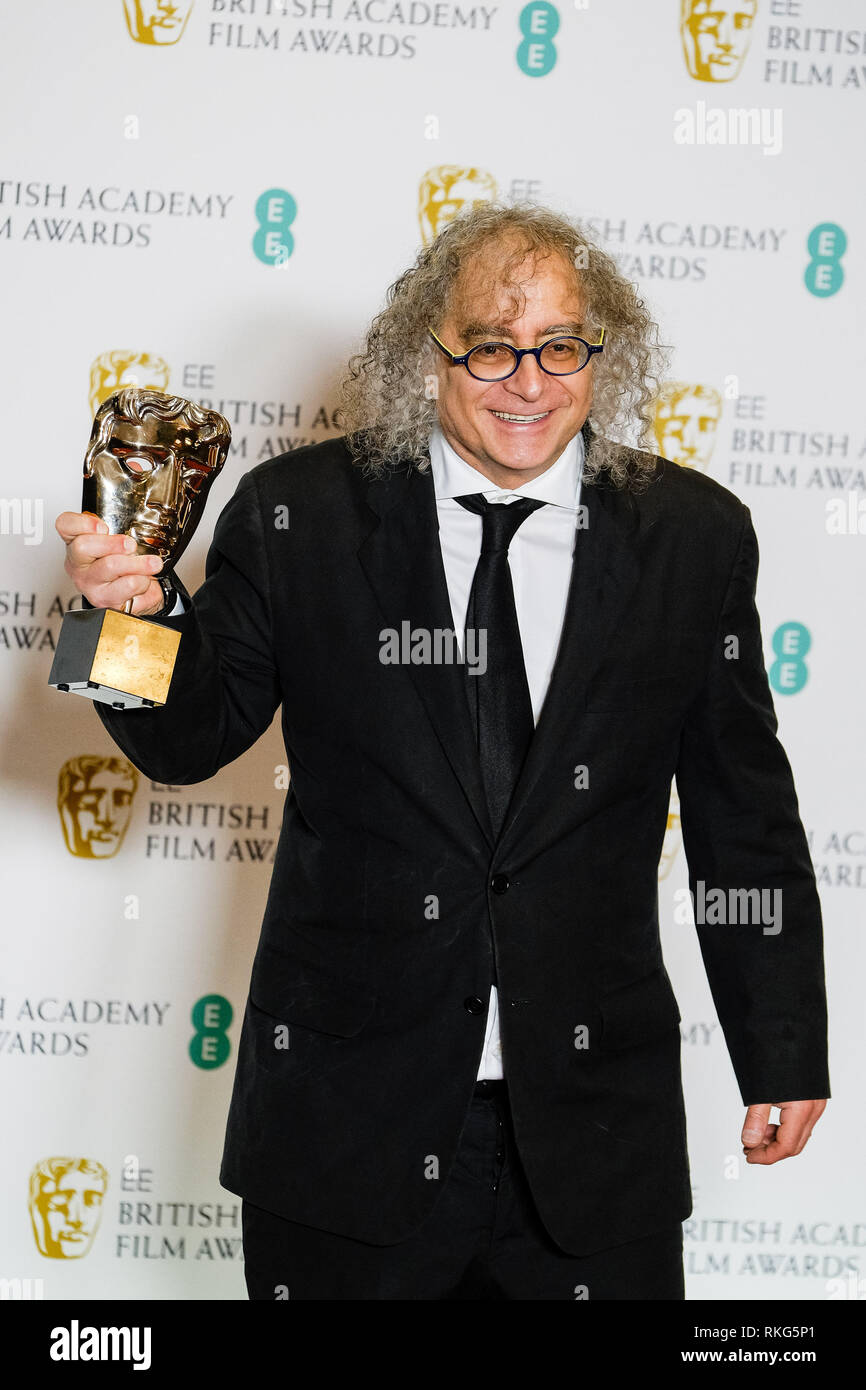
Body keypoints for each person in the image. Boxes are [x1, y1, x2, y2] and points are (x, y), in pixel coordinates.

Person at [56, 202, 829, 1301]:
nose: (527, 380)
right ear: (427, 351)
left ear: (600, 357)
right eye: (490, 345)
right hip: (340, 1137)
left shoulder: (692, 537)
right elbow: (184, 743)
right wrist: (117, 616)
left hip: (594, 1141)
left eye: (560, 346)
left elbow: (740, 817)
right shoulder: (298, 516)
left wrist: (782, 1043)